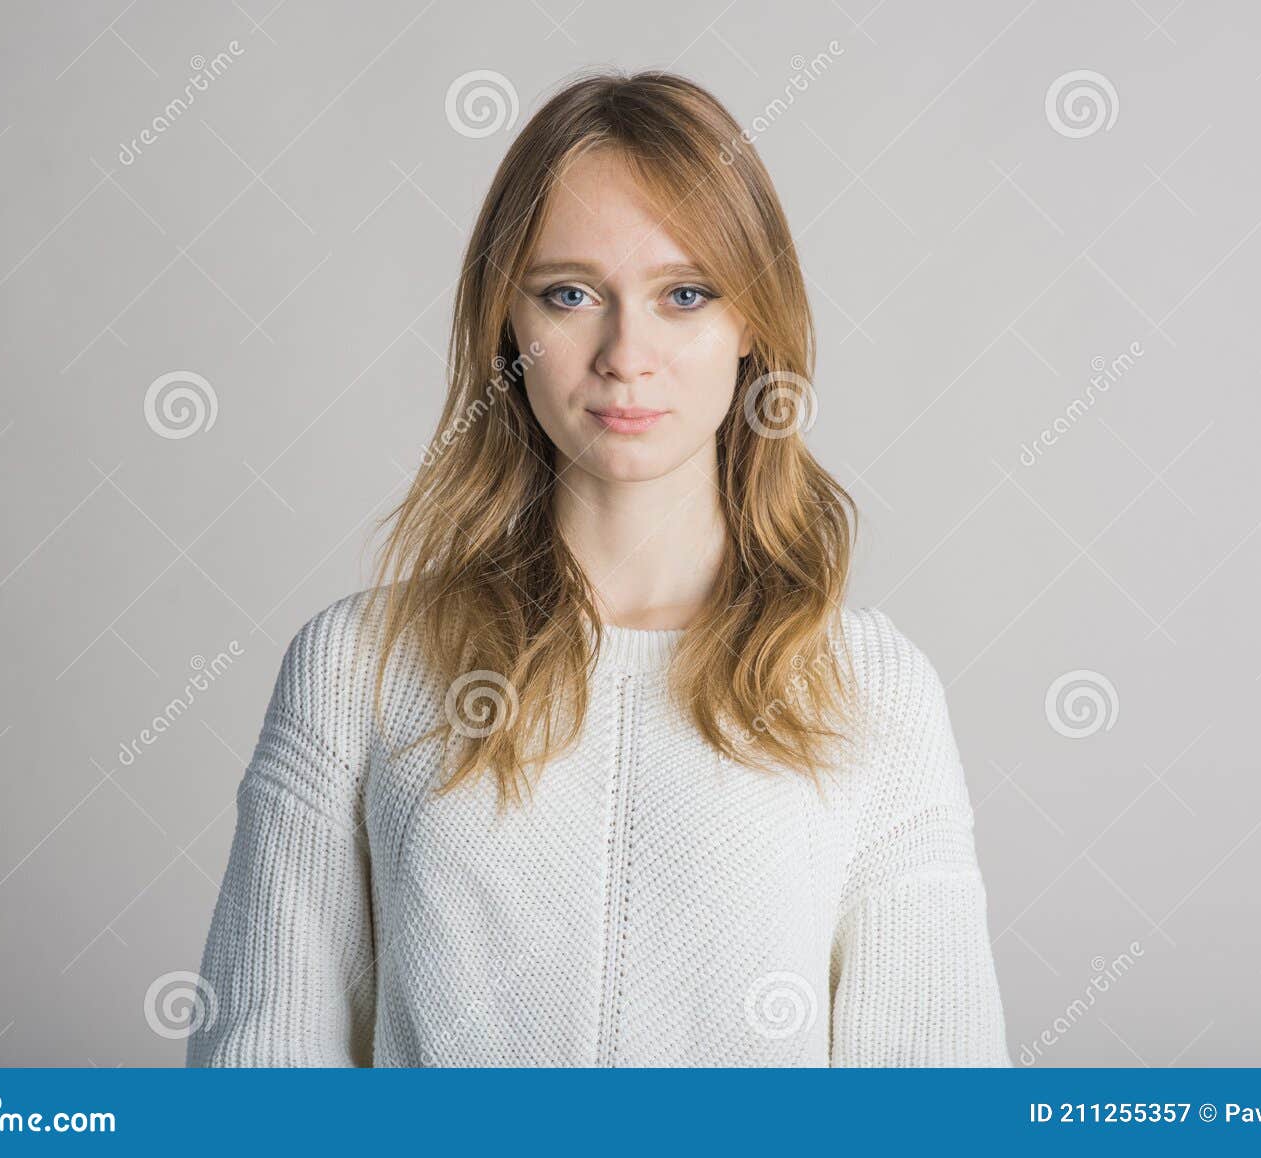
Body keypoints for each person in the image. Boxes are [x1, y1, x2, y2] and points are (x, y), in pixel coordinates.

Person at [186, 69, 1010, 1067]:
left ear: (751, 321)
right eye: (570, 294)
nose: (626, 352)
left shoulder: (873, 691)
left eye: (685, 293)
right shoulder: (356, 668)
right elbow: (260, 1084)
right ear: (507, 322)